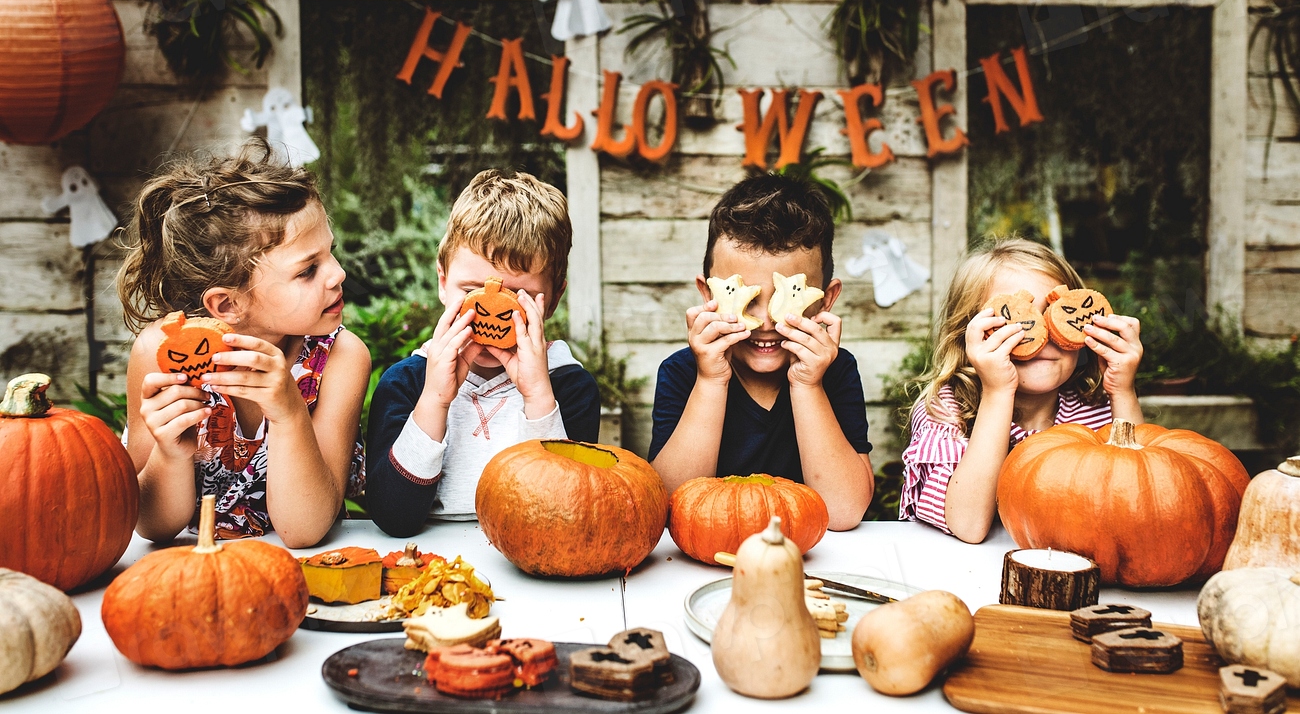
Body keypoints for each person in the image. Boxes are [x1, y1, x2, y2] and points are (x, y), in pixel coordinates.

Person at [119, 141, 370, 548]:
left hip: (302, 570)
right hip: (191, 569)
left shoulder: (339, 358)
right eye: (308, 270)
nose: (337, 274)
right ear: (228, 304)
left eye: (331, 254)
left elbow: (305, 529)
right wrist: (171, 453)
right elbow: (152, 526)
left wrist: (290, 412)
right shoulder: (160, 358)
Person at [366, 170, 601, 536]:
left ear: (553, 299)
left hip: (533, 562)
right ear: (443, 283)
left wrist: (538, 398)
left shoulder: (569, 386)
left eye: (515, 299)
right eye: (473, 291)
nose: (491, 315)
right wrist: (434, 401)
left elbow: (563, 518)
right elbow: (393, 517)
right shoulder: (407, 383)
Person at [649, 174, 875, 530]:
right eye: (747, 299)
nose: (766, 323)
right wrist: (711, 381)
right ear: (708, 295)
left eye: (786, 300)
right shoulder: (683, 372)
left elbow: (845, 512)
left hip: (810, 558)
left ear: (825, 300)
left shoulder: (835, 371)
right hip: (706, 557)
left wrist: (807, 385)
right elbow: (667, 504)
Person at [900, 238, 1145, 543]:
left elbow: (1142, 501)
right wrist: (998, 391)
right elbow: (968, 524)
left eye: (1056, 314)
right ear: (969, 335)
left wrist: (1122, 390)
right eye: (1019, 318)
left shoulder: (1096, 414)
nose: (1042, 336)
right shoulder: (946, 410)